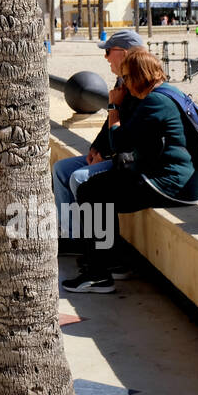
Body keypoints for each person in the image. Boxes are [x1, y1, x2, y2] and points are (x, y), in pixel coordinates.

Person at [62, 47, 198, 293]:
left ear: (140, 75)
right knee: (98, 190)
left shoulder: (155, 101)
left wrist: (113, 107)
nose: (125, 84)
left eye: (127, 78)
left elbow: (120, 142)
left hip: (172, 184)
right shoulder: (169, 93)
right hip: (177, 178)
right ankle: (108, 262)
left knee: (92, 193)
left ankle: (98, 272)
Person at [51, 29, 145, 247]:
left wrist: (106, 155)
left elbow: (128, 134)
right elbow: (109, 125)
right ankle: (71, 236)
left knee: (80, 178)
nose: (105, 57)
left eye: (108, 51)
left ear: (124, 53)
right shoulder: (121, 82)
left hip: (127, 160)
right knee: (61, 169)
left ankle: (96, 247)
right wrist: (96, 148)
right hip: (112, 152)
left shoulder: (139, 87)